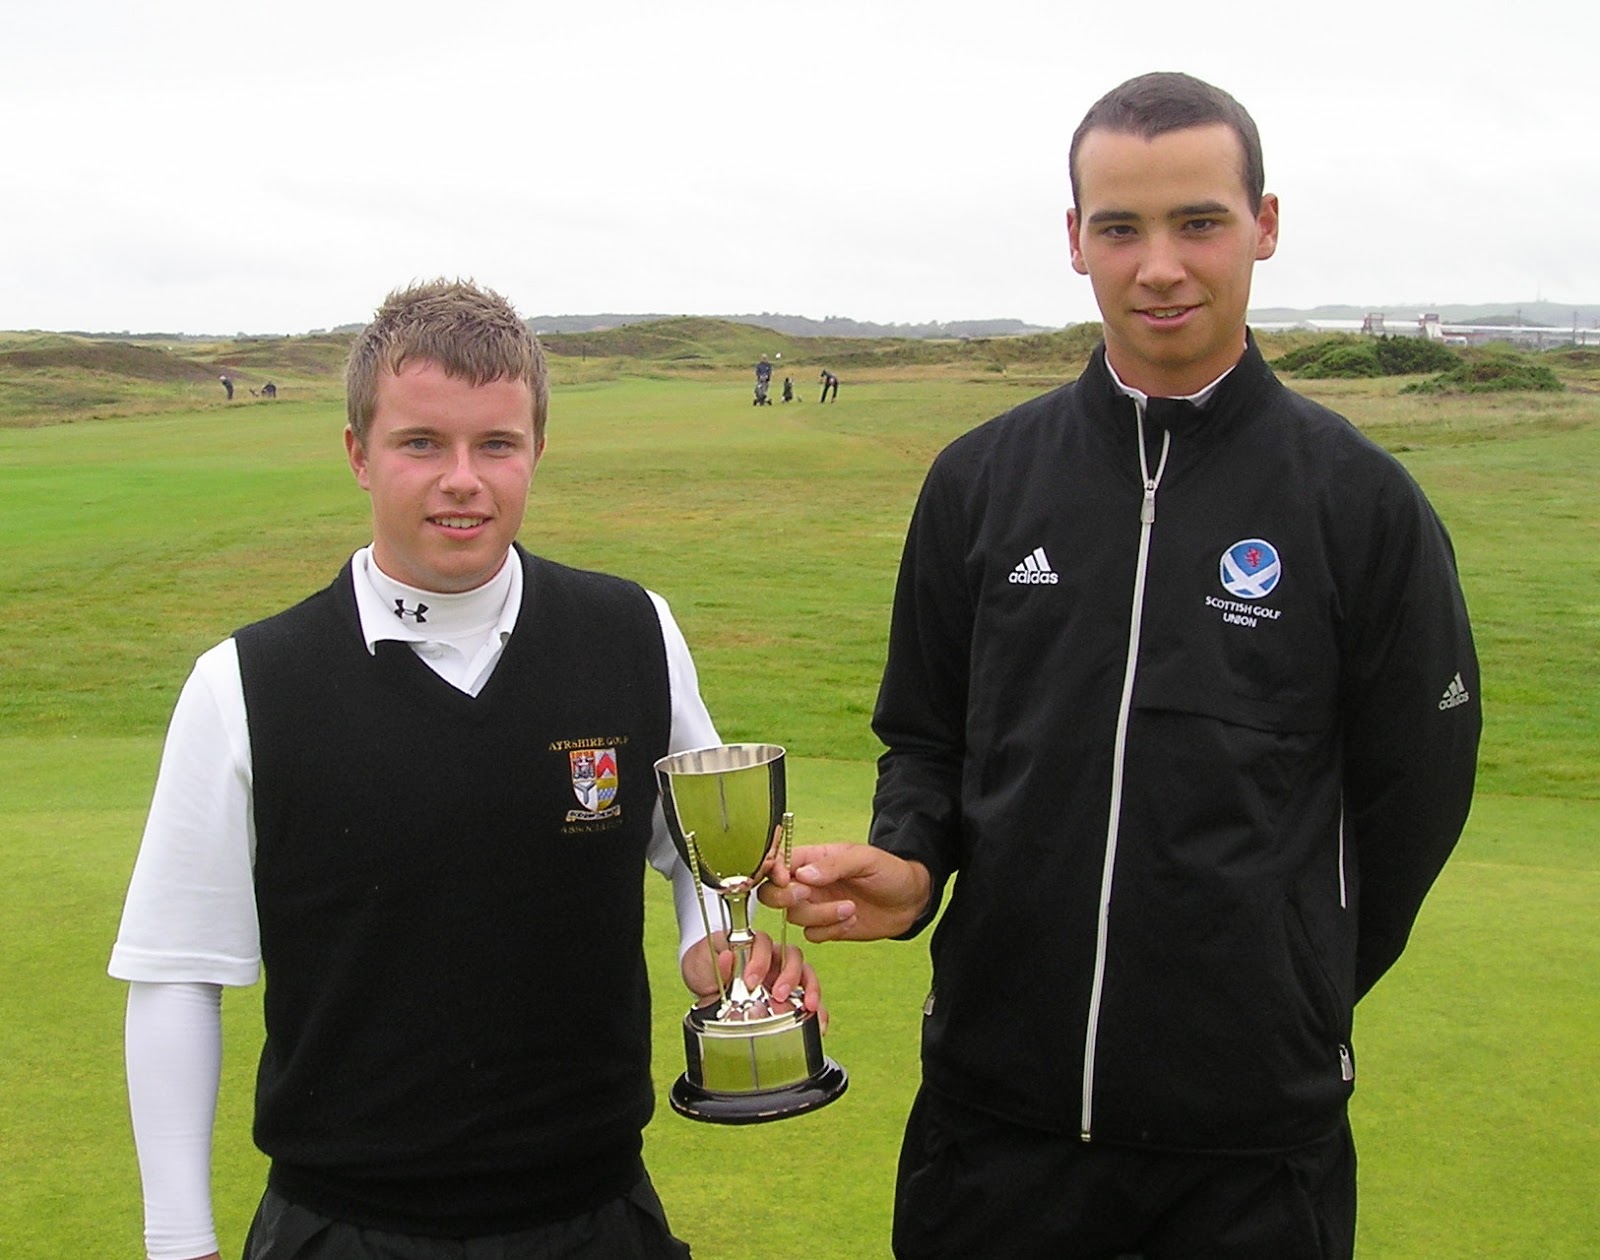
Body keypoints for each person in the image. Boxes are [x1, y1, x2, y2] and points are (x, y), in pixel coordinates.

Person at [763, 72, 1480, 1259]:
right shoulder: (981, 481)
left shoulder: (1358, 502)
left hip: (1249, 1146)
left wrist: (1298, 987)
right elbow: (930, 738)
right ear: (1073, 240)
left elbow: (1415, 793)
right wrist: (912, 859)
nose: (1158, 265)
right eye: (1120, 227)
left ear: (1264, 224)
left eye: (1197, 221)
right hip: (995, 1125)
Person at [110, 278, 820, 1260]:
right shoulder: (244, 683)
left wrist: (714, 954)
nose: (462, 478)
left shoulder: (632, 633)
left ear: (536, 449)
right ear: (359, 453)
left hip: (595, 1215)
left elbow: (699, 856)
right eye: (421, 444)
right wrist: (178, 1241)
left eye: (496, 444)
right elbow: (177, 971)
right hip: (346, 1226)